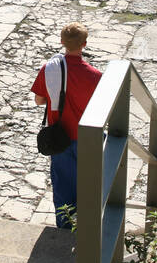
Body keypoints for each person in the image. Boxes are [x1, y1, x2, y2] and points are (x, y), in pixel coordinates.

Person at [30, 22, 103, 229]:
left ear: (62, 42)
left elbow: (39, 100)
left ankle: (65, 226)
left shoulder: (49, 69)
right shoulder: (96, 76)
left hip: (60, 137)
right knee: (90, 183)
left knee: (63, 185)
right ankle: (90, 225)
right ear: (85, 44)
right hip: (88, 137)